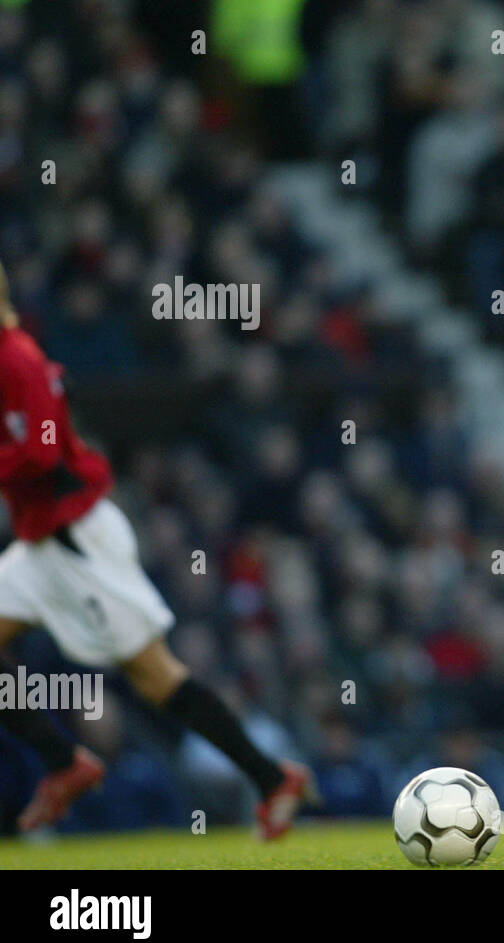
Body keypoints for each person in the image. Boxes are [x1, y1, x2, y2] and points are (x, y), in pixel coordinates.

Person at [0, 260, 313, 839]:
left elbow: (43, 453)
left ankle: (271, 778)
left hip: (78, 537)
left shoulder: (17, 358)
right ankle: (64, 763)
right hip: (41, 541)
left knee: (154, 676)